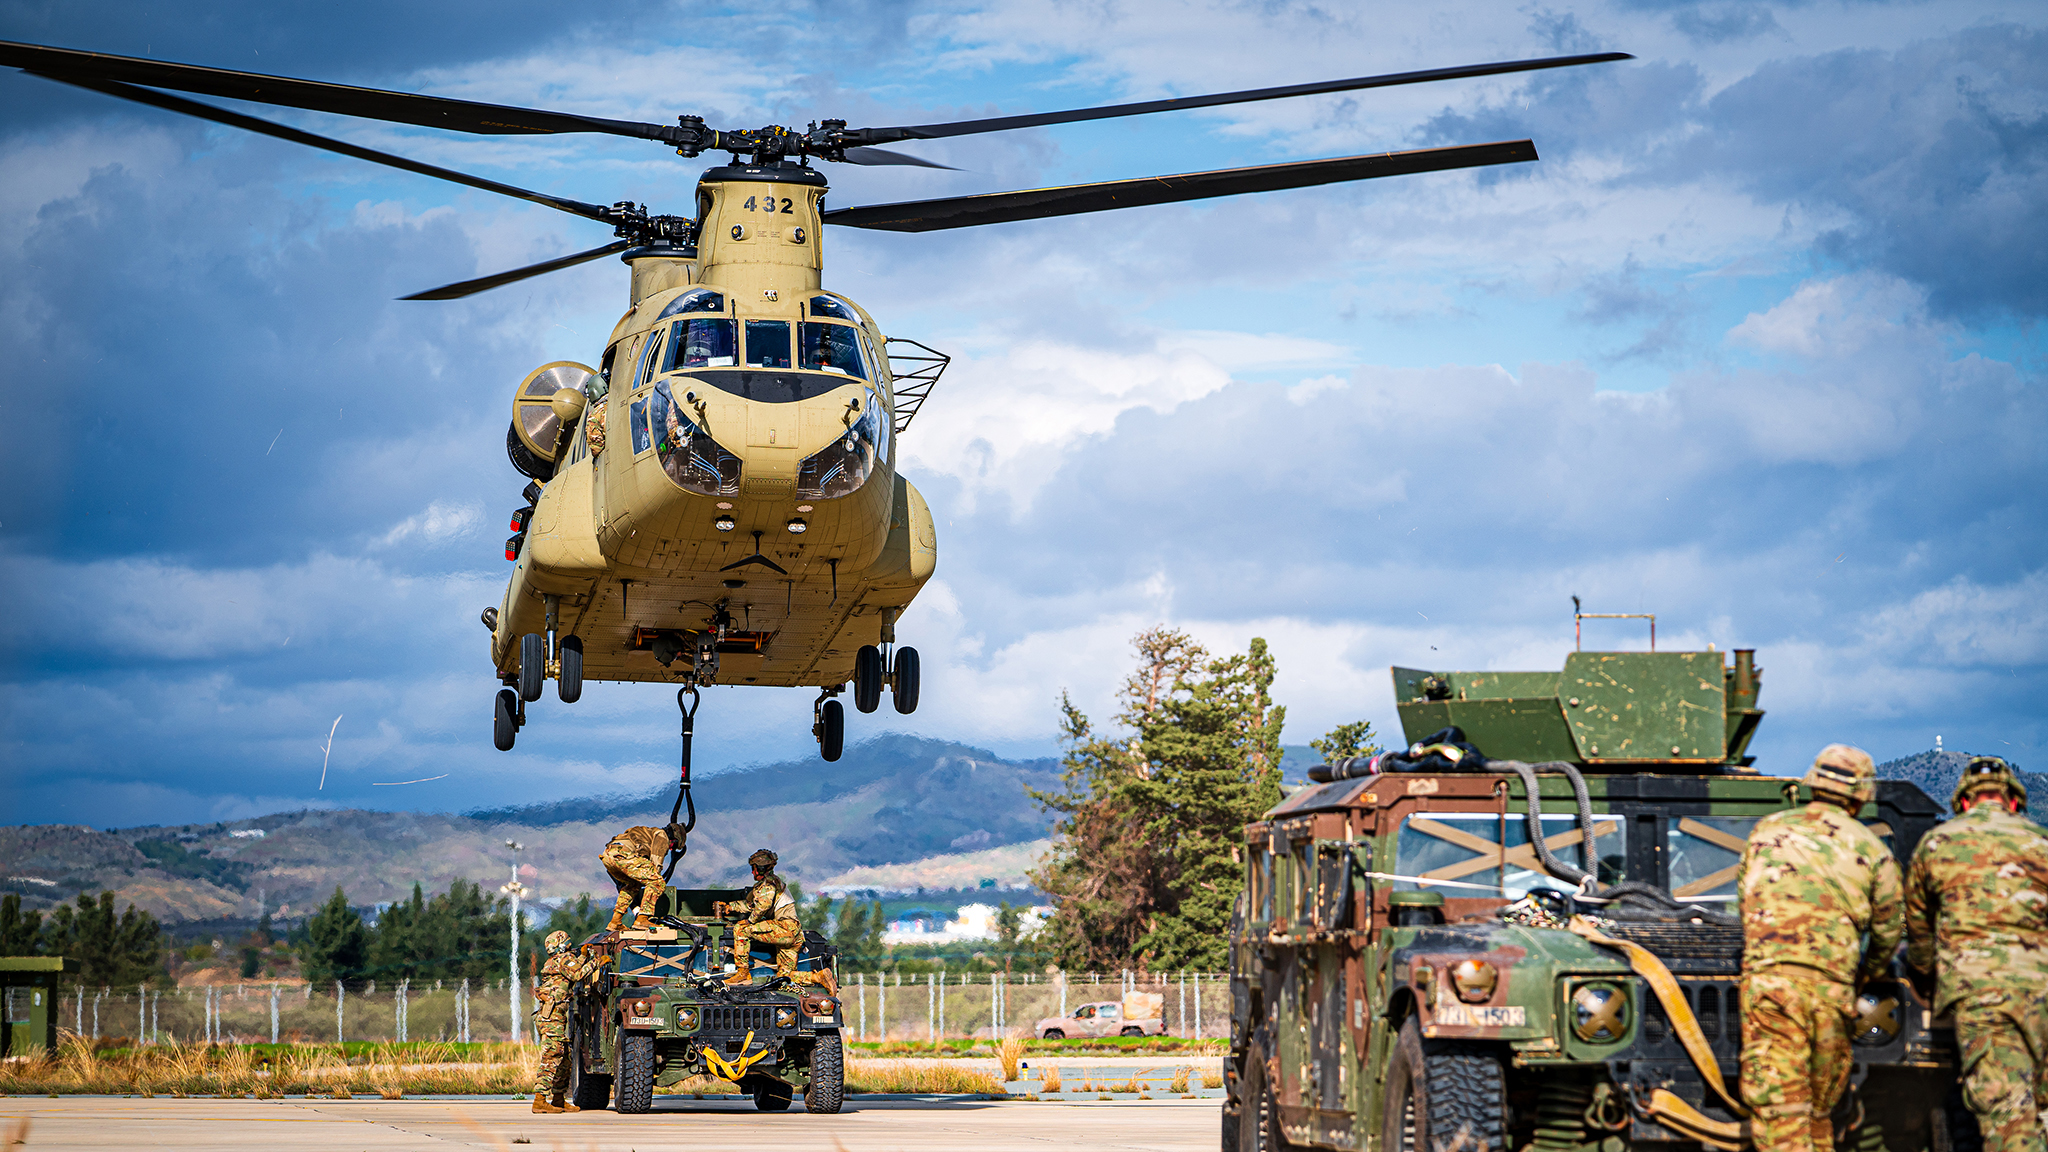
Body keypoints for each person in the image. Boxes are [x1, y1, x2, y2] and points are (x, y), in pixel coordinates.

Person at [1737, 744, 1905, 1152]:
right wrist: (1873, 971)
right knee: (1818, 1108)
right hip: (1832, 990)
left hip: (1771, 982)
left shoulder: (1767, 830)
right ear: (1860, 794)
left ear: (1812, 782)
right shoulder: (1870, 848)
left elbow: (1746, 897)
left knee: (1781, 1107)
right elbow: (1888, 928)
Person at [1905, 756, 2048, 1152]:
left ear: (1964, 803)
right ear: (2014, 802)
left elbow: (1918, 927)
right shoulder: (2040, 841)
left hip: (1980, 993)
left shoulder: (1938, 844)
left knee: (2008, 1114)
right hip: (2042, 989)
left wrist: (1925, 975)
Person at [715, 848, 836, 993]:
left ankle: (742, 974)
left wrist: (750, 921)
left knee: (741, 929)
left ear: (761, 868)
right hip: (793, 933)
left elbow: (762, 906)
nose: (752, 872)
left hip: (784, 927)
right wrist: (730, 907)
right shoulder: (767, 885)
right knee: (785, 977)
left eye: (754, 869)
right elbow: (749, 905)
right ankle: (820, 977)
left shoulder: (769, 885)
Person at [530, 930, 602, 1114]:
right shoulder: (562, 960)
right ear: (560, 945)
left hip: (556, 1016)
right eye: (567, 943)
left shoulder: (557, 962)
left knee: (565, 1058)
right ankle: (540, 1100)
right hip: (552, 1016)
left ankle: (558, 1099)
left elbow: (572, 971)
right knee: (552, 1056)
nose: (570, 946)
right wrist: (596, 961)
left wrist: (583, 957)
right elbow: (577, 975)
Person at [601, 823, 684, 933]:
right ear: (673, 839)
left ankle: (615, 921)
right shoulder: (662, 835)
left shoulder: (645, 832)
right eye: (672, 847)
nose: (669, 849)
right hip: (623, 854)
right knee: (657, 881)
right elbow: (656, 865)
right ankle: (642, 919)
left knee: (633, 885)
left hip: (608, 855)